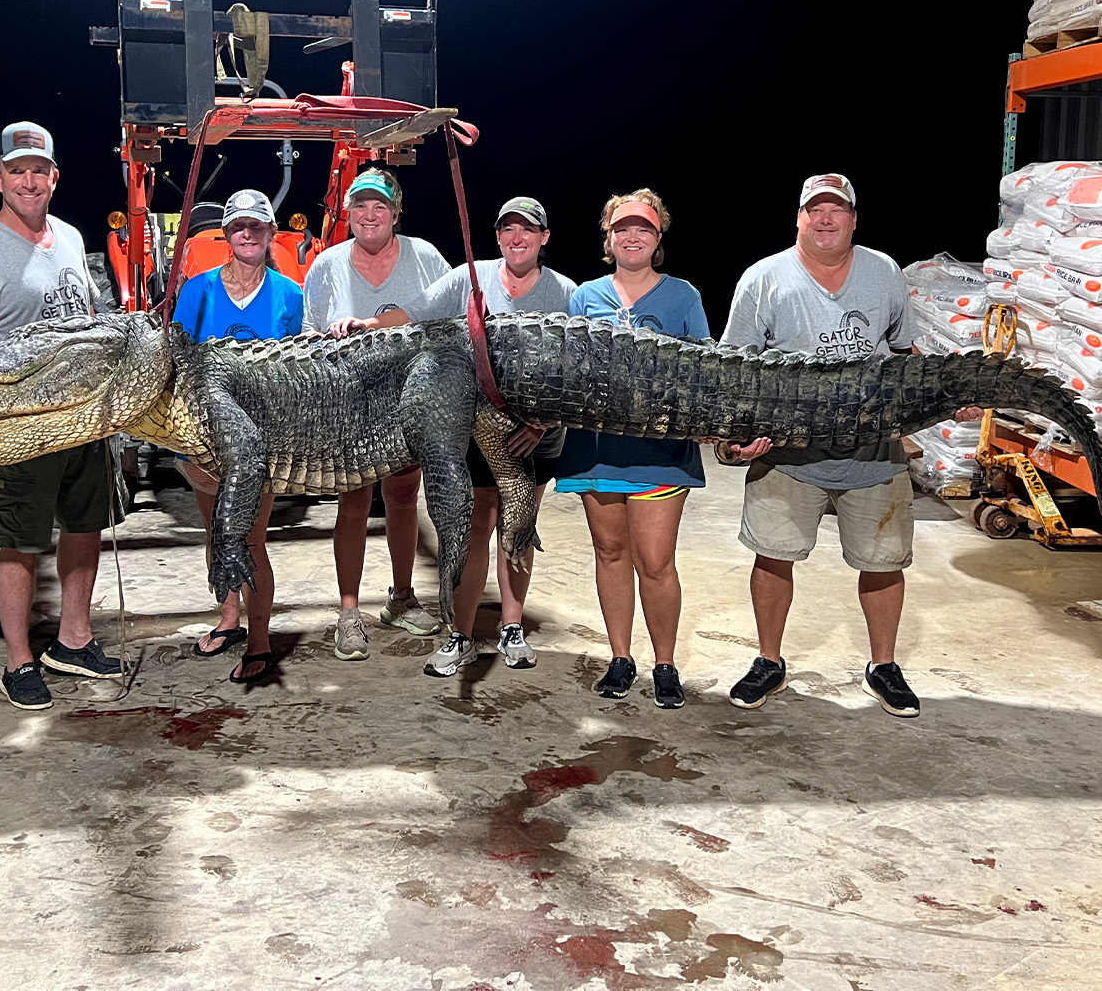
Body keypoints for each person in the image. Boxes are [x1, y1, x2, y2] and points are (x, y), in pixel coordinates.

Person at [718, 173, 979, 719]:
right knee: (773, 557)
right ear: (798, 218)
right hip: (788, 456)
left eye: (836, 209)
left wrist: (950, 396)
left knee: (882, 562)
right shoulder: (763, 279)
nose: (825, 218)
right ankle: (768, 660)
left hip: (873, 453)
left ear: (854, 219)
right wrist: (731, 442)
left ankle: (883, 665)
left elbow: (905, 354)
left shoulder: (883, 271)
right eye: (814, 209)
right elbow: (732, 370)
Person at [331, 196, 577, 675]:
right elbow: (416, 313)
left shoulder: (564, 291)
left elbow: (575, 368)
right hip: (479, 428)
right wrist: (368, 325)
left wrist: (541, 423)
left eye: (528, 229)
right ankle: (460, 634)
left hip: (535, 433)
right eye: (508, 229)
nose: (517, 238)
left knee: (519, 526)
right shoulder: (471, 277)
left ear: (544, 237)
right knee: (474, 526)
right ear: (498, 236)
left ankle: (511, 628)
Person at [0, 121, 125, 711]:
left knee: (85, 527)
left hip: (83, 418)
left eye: (38, 171)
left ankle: (74, 640)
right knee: (21, 541)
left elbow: (90, 321)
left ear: (54, 177)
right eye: (16, 170)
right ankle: (18, 660)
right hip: (22, 425)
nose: (28, 181)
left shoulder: (69, 237)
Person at [550, 190, 709, 710]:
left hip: (659, 452)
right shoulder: (585, 296)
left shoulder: (682, 296)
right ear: (608, 238)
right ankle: (620, 657)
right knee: (610, 553)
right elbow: (571, 367)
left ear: (658, 238)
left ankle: (665, 664)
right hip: (595, 450)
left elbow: (703, 369)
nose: (632, 236)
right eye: (622, 228)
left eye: (644, 228)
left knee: (656, 562)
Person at [302, 168, 450, 659]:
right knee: (353, 502)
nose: (369, 215)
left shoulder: (425, 257)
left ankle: (402, 597)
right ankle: (349, 611)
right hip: (350, 406)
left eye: (379, 206)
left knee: (404, 498)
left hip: (408, 401)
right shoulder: (326, 264)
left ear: (396, 213)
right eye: (360, 206)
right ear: (347, 213)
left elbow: (451, 316)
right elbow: (306, 333)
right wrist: (326, 337)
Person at [171, 189, 304, 684]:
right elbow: (178, 361)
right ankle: (229, 618)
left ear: (271, 233)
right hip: (205, 439)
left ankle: (260, 638)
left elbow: (295, 373)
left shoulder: (289, 294)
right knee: (216, 533)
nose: (247, 234)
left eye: (257, 226)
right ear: (226, 234)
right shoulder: (197, 291)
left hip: (259, 442)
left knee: (249, 538)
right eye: (238, 226)